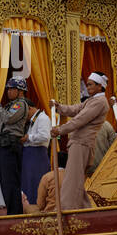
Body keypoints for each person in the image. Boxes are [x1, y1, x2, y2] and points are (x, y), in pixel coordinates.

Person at [52, 72, 110, 209]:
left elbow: (80, 119)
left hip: (82, 143)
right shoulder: (91, 100)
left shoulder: (100, 102)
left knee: (72, 180)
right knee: (76, 179)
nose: (87, 87)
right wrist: (59, 107)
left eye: (90, 85)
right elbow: (74, 109)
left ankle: (65, 210)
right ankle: (85, 209)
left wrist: (60, 130)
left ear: (100, 86)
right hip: (80, 143)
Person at [0, 77, 29, 215]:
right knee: (5, 183)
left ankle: (15, 214)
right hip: (2, 147)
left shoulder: (20, 104)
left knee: (10, 183)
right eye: (8, 89)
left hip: (10, 146)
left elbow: (7, 118)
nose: (9, 92)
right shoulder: (9, 106)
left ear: (20, 91)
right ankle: (12, 213)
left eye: (12, 89)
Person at [22, 149, 69, 214]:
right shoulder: (73, 177)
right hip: (71, 211)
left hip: (51, 213)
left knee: (28, 208)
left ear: (53, 162)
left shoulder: (47, 177)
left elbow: (40, 204)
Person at [21, 106, 51, 204]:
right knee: (27, 184)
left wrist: (28, 137)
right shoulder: (33, 119)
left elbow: (44, 136)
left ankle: (36, 208)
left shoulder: (43, 118)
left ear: (29, 108)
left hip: (36, 155)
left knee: (35, 184)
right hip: (28, 155)